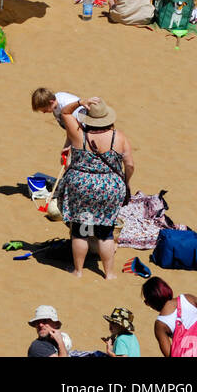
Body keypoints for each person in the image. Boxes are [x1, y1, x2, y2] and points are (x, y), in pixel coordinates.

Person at [59, 98, 134, 280]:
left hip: (81, 186)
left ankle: (78, 271)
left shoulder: (79, 134)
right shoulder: (119, 137)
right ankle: (109, 274)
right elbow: (130, 164)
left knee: (81, 230)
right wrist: (126, 181)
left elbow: (65, 113)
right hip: (109, 187)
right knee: (105, 232)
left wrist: (79, 102)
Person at [142, 278, 197, 357]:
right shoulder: (188, 299)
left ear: (152, 301)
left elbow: (169, 354)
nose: (146, 303)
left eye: (146, 301)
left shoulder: (160, 324)